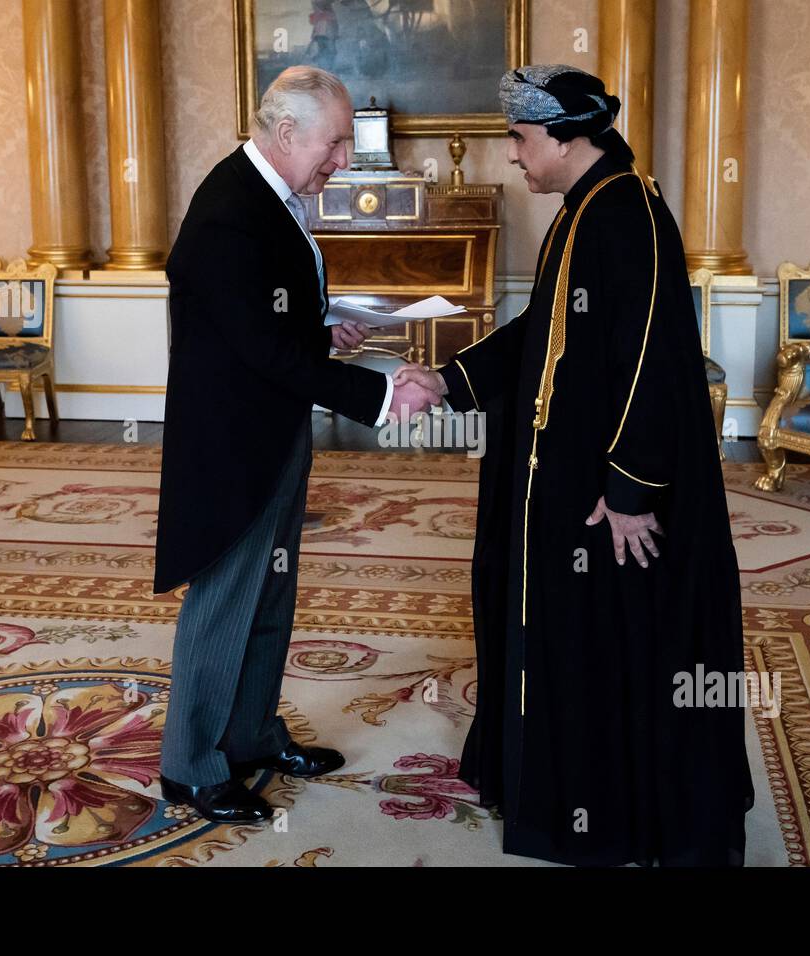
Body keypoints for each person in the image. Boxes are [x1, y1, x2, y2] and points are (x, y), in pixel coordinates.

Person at [394, 64, 754, 865]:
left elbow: (654, 359)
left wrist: (630, 490)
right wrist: (449, 380)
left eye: (521, 141)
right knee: (563, 638)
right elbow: (539, 337)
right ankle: (554, 793)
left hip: (603, 497)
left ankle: (606, 812)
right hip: (558, 483)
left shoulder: (629, 216)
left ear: (565, 136)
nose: (514, 158)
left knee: (607, 649)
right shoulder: (582, 207)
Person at [154, 65, 439, 824]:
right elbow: (260, 352)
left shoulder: (270, 197)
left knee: (269, 597)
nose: (342, 158)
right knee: (223, 605)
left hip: (271, 432)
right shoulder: (228, 212)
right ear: (286, 133)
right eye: (335, 141)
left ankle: (249, 736)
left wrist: (319, 331)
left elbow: (259, 326)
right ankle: (190, 768)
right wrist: (379, 393)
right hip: (232, 447)